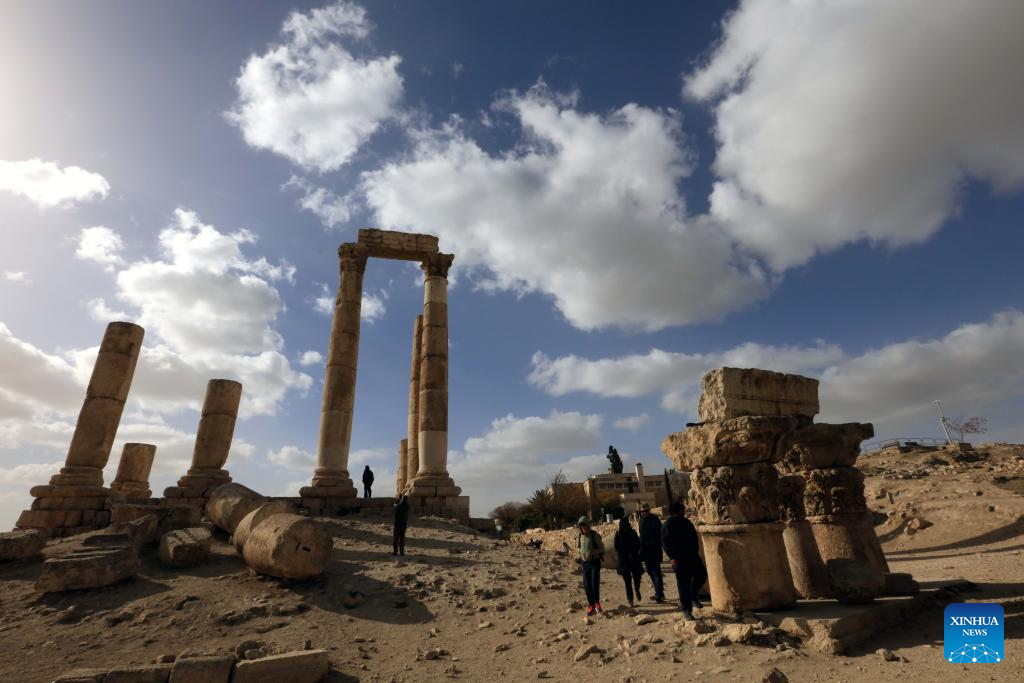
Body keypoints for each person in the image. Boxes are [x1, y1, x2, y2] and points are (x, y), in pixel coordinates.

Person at [661, 501, 708, 621]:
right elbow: (666, 543)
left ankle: (693, 595)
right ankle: (687, 610)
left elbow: (694, 538)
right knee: (683, 584)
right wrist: (672, 557)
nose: (684, 512)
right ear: (679, 511)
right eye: (682, 510)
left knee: (701, 575)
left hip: (691, 556)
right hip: (679, 559)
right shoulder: (668, 524)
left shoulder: (686, 522)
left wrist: (695, 552)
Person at [613, 516, 644, 607]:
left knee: (636, 577)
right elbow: (616, 547)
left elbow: (638, 544)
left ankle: (636, 590)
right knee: (628, 581)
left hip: (632, 559)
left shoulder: (632, 533)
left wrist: (632, 551)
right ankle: (630, 599)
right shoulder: (618, 534)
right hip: (625, 560)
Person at [576, 516, 604, 617]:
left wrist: (592, 552)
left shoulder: (594, 535)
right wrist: (580, 553)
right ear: (580, 527)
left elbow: (602, 549)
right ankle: (591, 605)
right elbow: (578, 547)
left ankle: (596, 603)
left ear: (588, 525)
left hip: (595, 562)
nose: (584, 527)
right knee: (587, 586)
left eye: (585, 525)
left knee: (594, 584)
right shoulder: (579, 536)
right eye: (582, 525)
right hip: (585, 564)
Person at [638, 503, 666, 602]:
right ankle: (659, 593)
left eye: (645, 511)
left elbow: (660, 535)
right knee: (650, 572)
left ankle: (659, 594)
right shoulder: (641, 521)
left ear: (649, 511)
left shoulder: (655, 520)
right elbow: (641, 536)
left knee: (656, 572)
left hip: (654, 550)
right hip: (645, 551)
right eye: (642, 511)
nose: (644, 513)